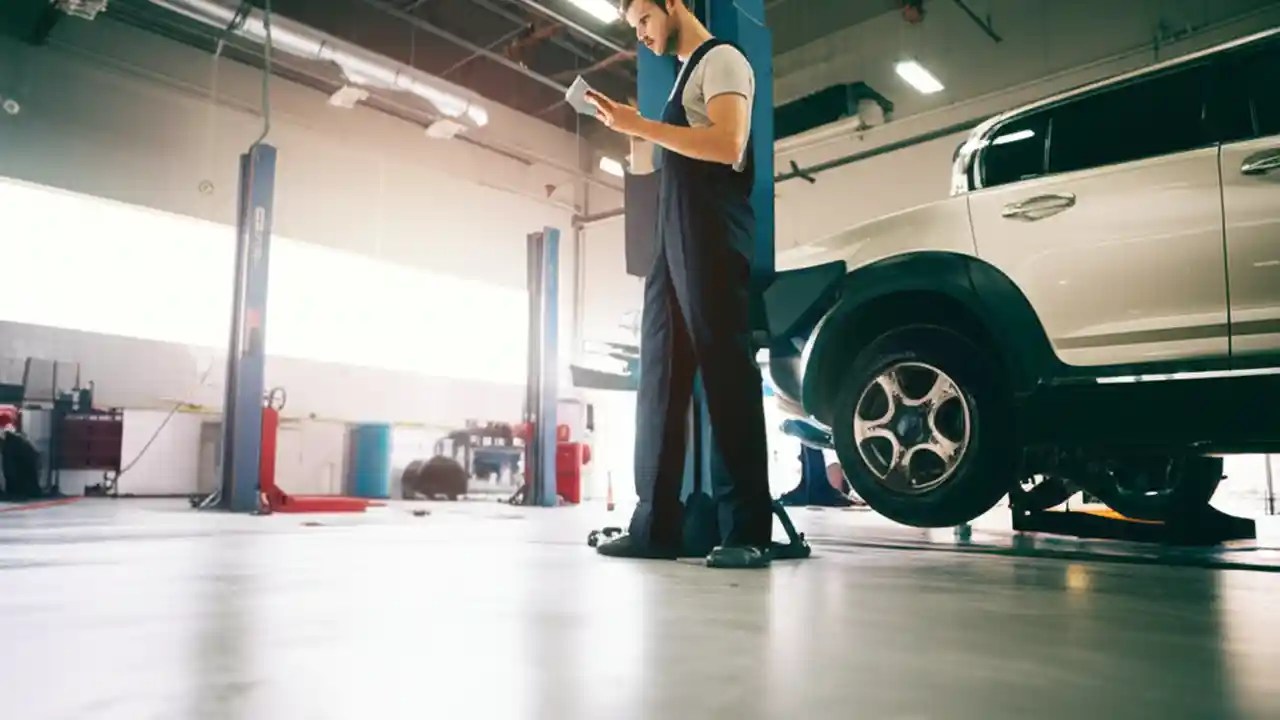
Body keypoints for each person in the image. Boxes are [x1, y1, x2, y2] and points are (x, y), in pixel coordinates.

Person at [588, 0, 773, 569]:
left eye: (644, 19)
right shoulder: (681, 78)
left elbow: (728, 145)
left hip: (713, 233)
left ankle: (747, 530)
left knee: (724, 371)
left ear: (674, 4)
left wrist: (638, 125)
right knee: (661, 372)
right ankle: (656, 526)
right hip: (673, 237)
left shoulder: (723, 60)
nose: (641, 34)